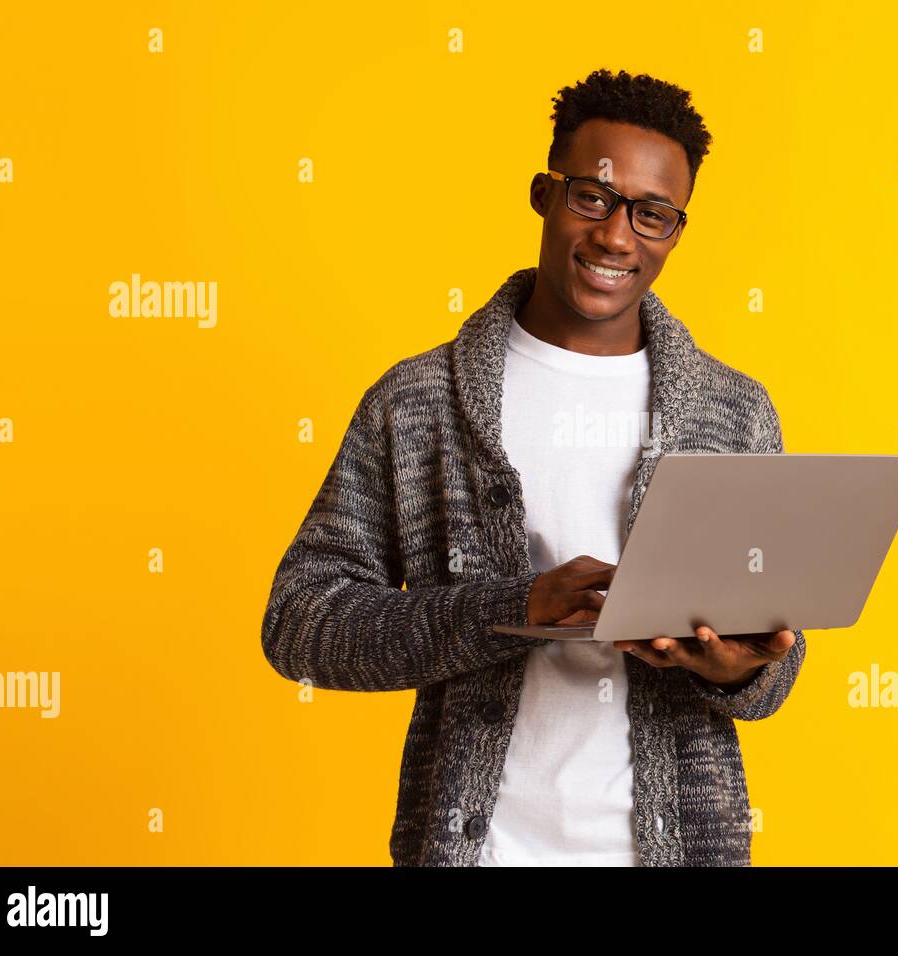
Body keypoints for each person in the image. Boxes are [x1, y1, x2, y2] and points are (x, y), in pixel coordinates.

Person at [261, 68, 806, 867]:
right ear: (544, 194)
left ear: (675, 232)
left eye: (651, 214)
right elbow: (301, 624)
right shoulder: (419, 402)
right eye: (593, 196)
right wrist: (511, 607)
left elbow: (774, 674)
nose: (617, 236)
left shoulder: (734, 411)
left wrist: (735, 671)